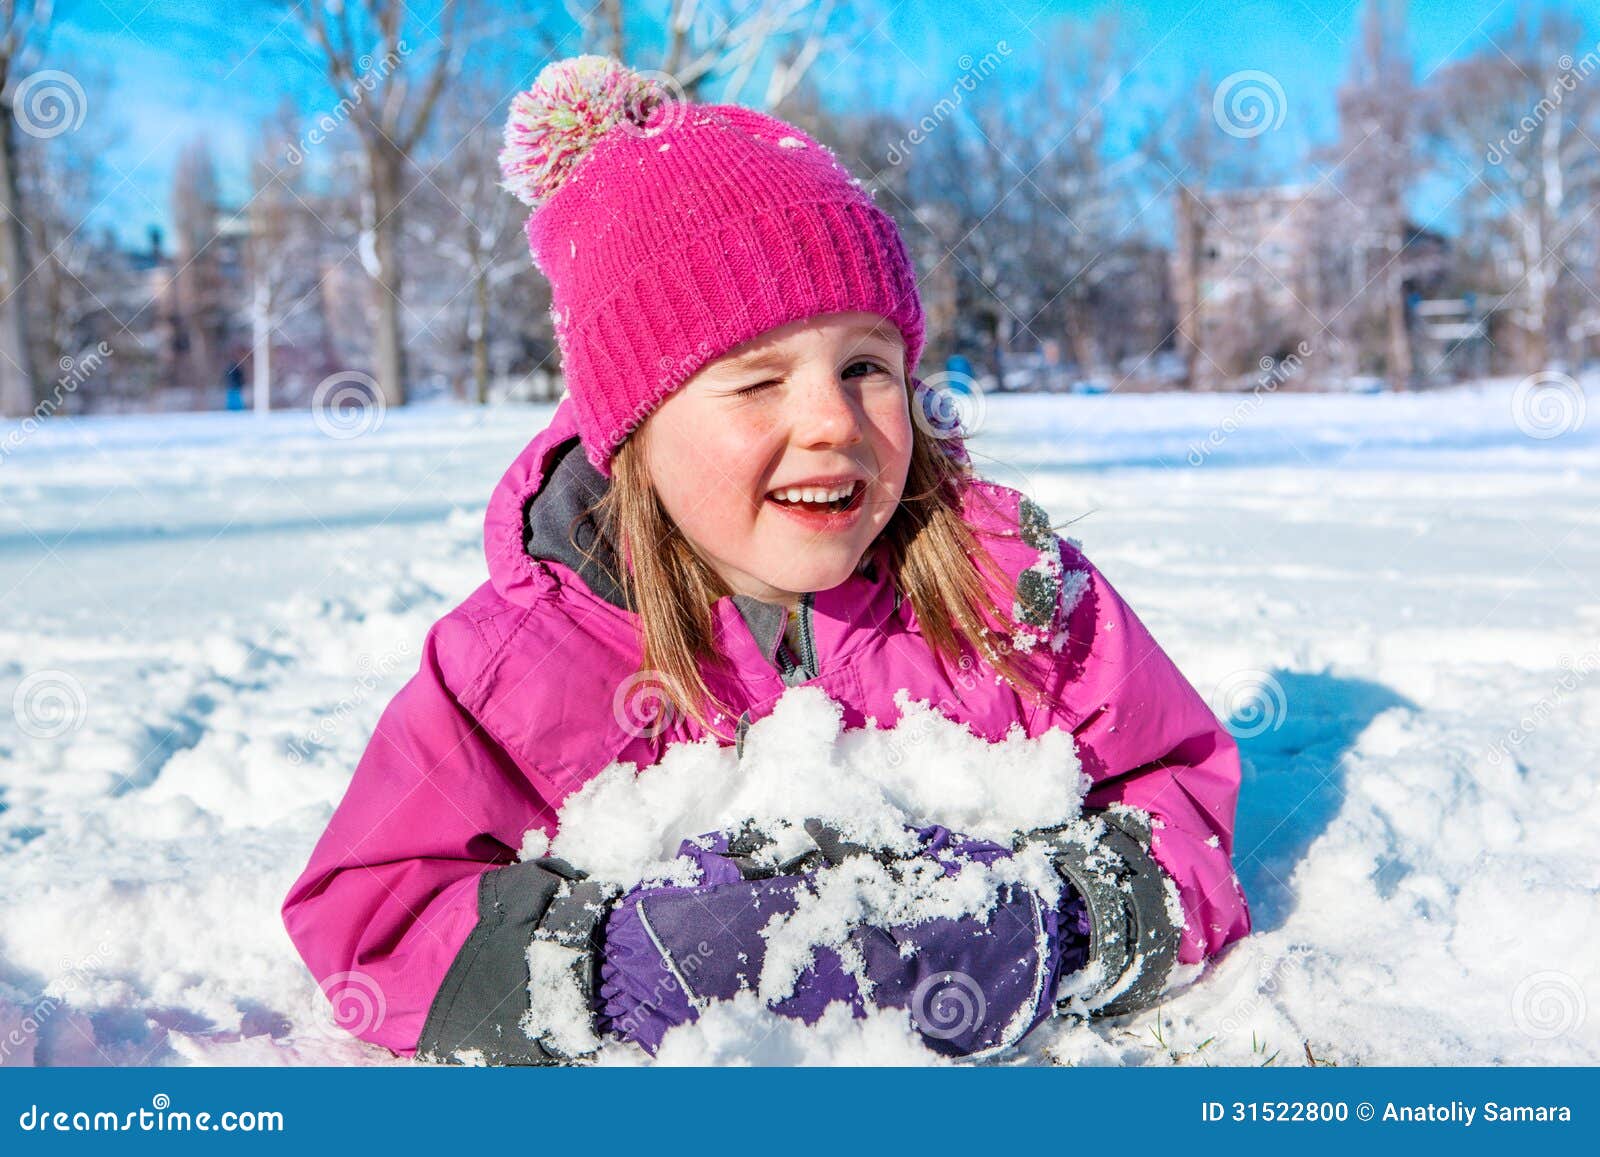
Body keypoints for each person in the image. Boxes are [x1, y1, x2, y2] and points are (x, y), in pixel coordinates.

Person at [280, 55, 1251, 1065]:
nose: (833, 421)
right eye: (758, 382)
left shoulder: (1008, 588)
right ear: (636, 431)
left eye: (865, 366)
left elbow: (1180, 791)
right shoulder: (523, 661)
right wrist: (605, 970)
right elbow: (373, 912)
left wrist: (1064, 919)